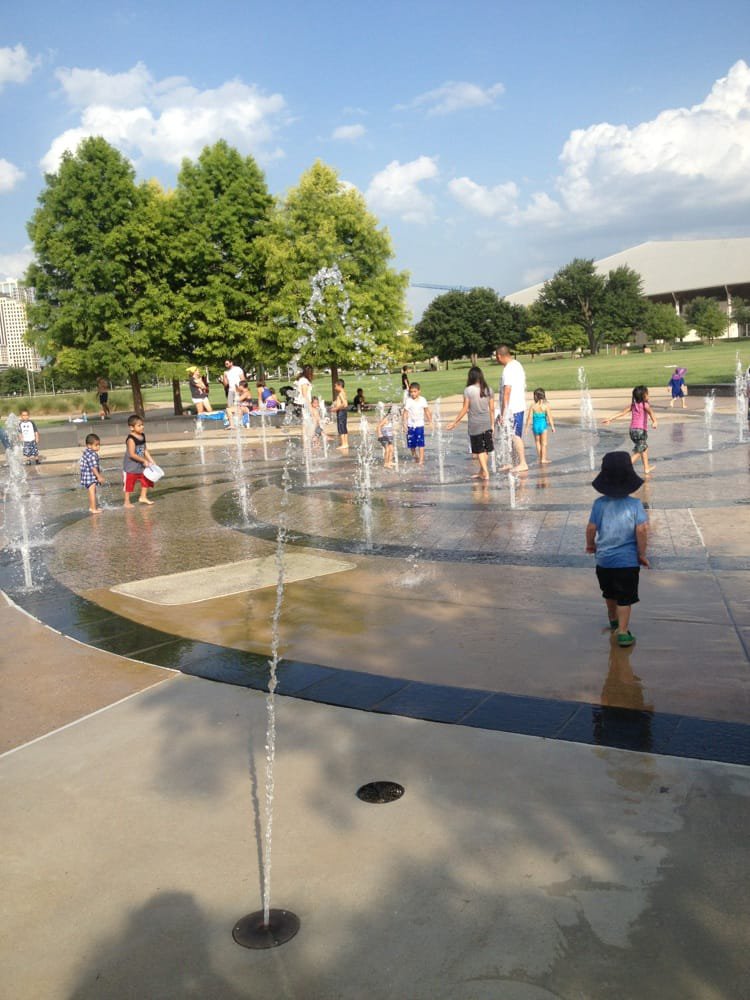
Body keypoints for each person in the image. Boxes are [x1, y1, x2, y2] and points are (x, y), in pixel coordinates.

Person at [585, 451, 649, 648]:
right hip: (627, 562)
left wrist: (590, 544)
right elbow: (641, 530)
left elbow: (591, 528)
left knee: (610, 594)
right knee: (625, 598)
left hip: (604, 561)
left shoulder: (599, 504)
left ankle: (613, 620)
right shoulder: (635, 505)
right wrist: (642, 553)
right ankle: (622, 631)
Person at [446, 365, 495, 481]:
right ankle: (481, 471)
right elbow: (492, 409)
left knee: (479, 450)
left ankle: (486, 473)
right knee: (485, 448)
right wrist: (492, 424)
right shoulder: (489, 389)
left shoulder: (468, 390)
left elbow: (465, 409)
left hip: (475, 424)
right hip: (486, 422)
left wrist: (455, 422)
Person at [603, 385, 658, 476]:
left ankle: (646, 468)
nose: (649, 395)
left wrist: (610, 418)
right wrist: (655, 421)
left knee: (644, 448)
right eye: (647, 393)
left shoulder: (633, 405)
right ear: (644, 396)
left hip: (632, 431)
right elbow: (651, 413)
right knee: (639, 451)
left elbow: (622, 413)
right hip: (640, 431)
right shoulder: (645, 405)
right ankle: (624, 467)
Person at [495, 345, 528, 472]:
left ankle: (523, 462)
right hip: (518, 406)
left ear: (499, 356)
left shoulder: (508, 370)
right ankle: (514, 463)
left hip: (512, 408)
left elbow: (507, 391)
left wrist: (503, 413)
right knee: (511, 435)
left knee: (515, 436)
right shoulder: (517, 364)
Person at [122, 414, 155, 507]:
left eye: (142, 425)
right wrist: (144, 461)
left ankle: (143, 497)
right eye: (139, 425)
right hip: (130, 467)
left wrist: (151, 460)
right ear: (131, 428)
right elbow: (132, 454)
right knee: (129, 483)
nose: (142, 427)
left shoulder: (142, 436)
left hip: (140, 464)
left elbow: (144, 449)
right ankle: (126, 502)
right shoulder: (131, 439)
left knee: (146, 479)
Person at [403, 382, 433, 465]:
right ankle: (415, 456)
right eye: (411, 392)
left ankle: (421, 460)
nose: (413, 394)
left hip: (419, 424)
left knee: (421, 443)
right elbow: (405, 413)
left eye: (415, 391)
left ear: (419, 391)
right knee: (411, 444)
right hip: (410, 425)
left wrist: (430, 421)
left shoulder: (423, 400)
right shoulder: (408, 401)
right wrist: (404, 424)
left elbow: (427, 411)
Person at [525, 388, 556, 465]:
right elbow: (550, 417)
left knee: (537, 442)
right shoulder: (545, 406)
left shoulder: (533, 406)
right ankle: (543, 459)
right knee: (544, 443)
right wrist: (552, 426)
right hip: (543, 426)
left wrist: (526, 428)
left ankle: (540, 458)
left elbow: (529, 418)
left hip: (535, 426)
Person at [79, 432, 106, 514]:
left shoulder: (87, 452)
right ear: (89, 445)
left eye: (99, 444)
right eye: (96, 445)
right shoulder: (92, 455)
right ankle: (94, 509)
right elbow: (93, 467)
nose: (98, 447)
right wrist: (99, 477)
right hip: (90, 476)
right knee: (92, 491)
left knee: (92, 491)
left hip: (86, 475)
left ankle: (92, 507)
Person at [221, 359, 245, 428]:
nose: (226, 365)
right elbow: (225, 385)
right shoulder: (226, 372)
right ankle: (232, 423)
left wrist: (242, 389)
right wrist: (224, 377)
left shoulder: (238, 369)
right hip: (231, 390)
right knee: (229, 406)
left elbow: (243, 379)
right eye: (225, 364)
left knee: (239, 406)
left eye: (227, 363)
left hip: (238, 390)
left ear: (231, 363)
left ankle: (240, 422)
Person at [331, 379, 349, 450]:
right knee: (344, 427)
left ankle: (343, 444)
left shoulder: (341, 393)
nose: (334, 387)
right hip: (343, 412)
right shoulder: (343, 392)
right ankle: (346, 443)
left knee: (341, 427)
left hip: (341, 412)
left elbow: (345, 404)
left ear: (339, 385)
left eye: (335, 386)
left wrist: (336, 409)